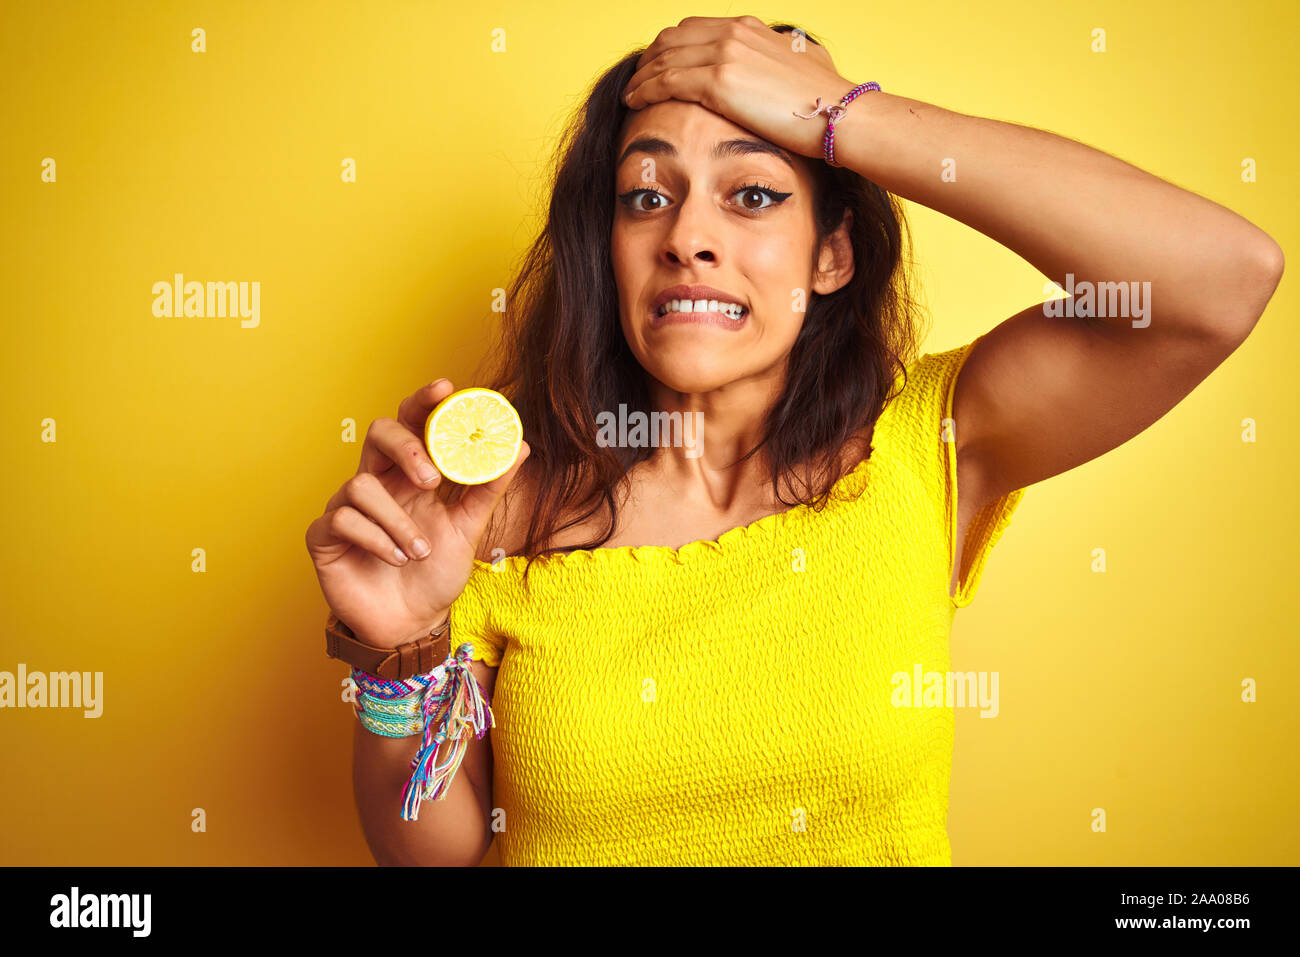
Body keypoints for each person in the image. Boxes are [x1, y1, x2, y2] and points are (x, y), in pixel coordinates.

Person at [304, 17, 1283, 866]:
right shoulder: (495, 504)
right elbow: (431, 857)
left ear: (832, 254)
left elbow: (1220, 279)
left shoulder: (929, 439)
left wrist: (840, 114)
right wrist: (396, 649)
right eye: (647, 195)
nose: (686, 235)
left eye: (754, 194)